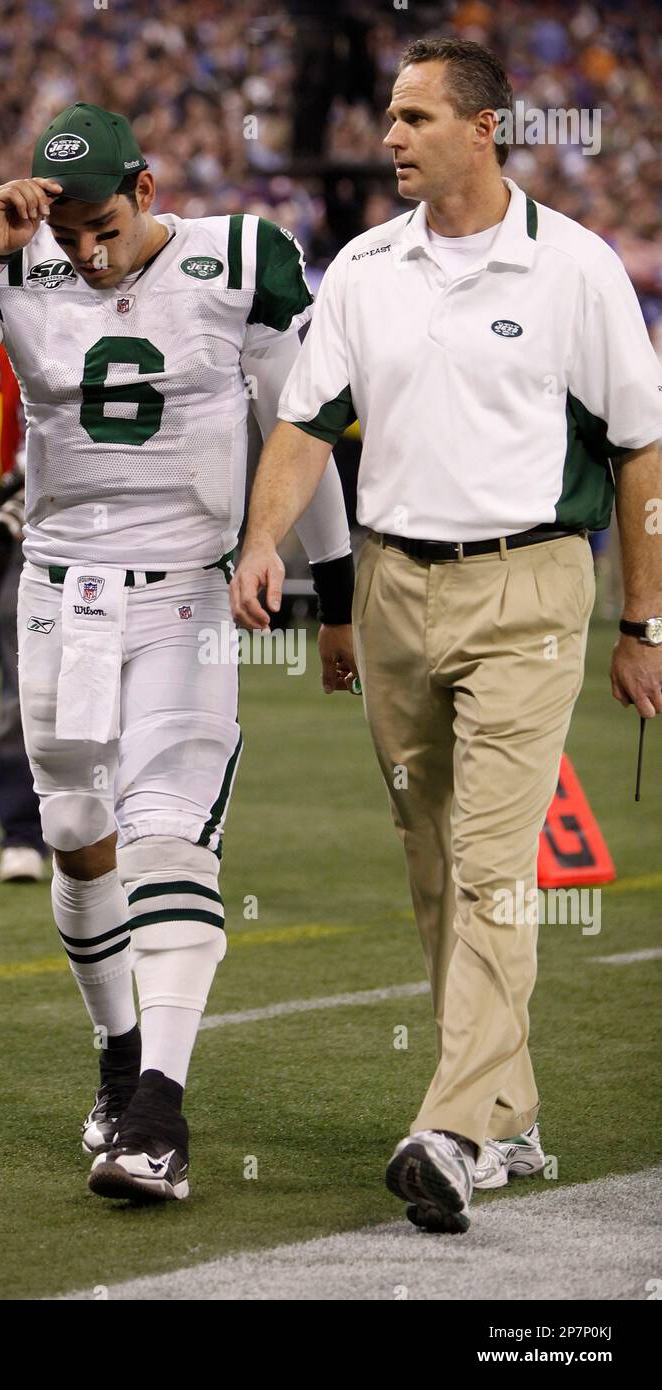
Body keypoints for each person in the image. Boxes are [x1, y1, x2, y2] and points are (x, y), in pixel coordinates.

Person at [0, 102, 354, 1203]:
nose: (85, 253)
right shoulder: (23, 264)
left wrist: (331, 590)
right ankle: (114, 1049)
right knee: (79, 836)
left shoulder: (240, 257)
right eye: (68, 232)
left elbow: (303, 426)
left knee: (168, 836)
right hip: (57, 595)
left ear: (145, 191)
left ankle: (159, 1108)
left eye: (101, 225)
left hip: (186, 593)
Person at [231, 38, 662, 1233]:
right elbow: (305, 422)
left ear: (484, 129)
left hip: (527, 591)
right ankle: (509, 1114)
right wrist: (267, 541)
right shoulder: (365, 269)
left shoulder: (575, 268)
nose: (390, 135)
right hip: (392, 592)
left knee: (490, 864)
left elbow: (641, 450)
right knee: (433, 866)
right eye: (389, 114)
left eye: (414, 116)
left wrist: (645, 619)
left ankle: (450, 1128)